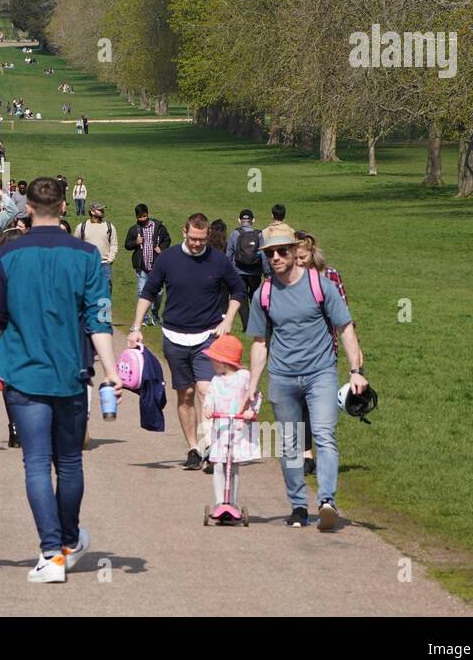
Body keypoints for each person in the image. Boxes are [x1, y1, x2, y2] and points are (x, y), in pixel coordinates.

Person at [0, 177, 120, 583]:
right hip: (71, 371)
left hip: (24, 373)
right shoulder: (87, 255)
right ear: (63, 208)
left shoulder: (7, 256)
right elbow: (100, 318)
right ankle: (68, 540)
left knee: (37, 462)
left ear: (27, 209)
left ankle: (51, 552)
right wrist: (111, 371)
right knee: (70, 461)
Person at [243, 223, 369, 531]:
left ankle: (327, 501)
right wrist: (251, 386)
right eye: (269, 253)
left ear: (294, 251)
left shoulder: (320, 286)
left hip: (320, 373)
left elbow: (346, 328)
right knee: (289, 445)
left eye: (281, 251)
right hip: (282, 377)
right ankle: (298, 506)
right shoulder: (264, 293)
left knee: (324, 436)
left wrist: (356, 372)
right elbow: (260, 343)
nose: (275, 257)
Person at [126, 213, 245, 472]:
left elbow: (238, 290)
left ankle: (212, 448)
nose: (196, 244)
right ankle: (193, 448)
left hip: (207, 337)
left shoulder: (218, 260)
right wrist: (136, 327)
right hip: (174, 336)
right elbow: (149, 291)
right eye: (193, 239)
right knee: (186, 394)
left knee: (206, 391)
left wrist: (228, 320)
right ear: (184, 232)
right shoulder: (168, 259)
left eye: (202, 240)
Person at [294, 230, 351, 476]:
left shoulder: (330, 276)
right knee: (300, 405)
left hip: (326, 350)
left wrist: (355, 357)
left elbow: (344, 315)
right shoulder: (287, 279)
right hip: (295, 350)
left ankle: (323, 453)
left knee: (321, 405)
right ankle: (306, 454)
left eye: (302, 257)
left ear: (312, 253)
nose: (298, 262)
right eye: (294, 257)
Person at [202, 334, 260, 519]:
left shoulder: (244, 377)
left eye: (214, 359)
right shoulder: (216, 380)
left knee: (233, 467)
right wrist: (209, 407)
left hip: (238, 429)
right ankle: (220, 501)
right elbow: (209, 397)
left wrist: (251, 410)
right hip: (221, 429)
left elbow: (255, 396)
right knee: (219, 465)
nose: (211, 362)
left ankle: (232, 501)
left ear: (224, 361)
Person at [124, 204, 171, 328]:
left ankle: (155, 314)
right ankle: (144, 318)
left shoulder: (159, 227)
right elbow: (127, 245)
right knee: (142, 291)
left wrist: (161, 248)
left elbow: (167, 239)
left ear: (148, 214)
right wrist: (136, 242)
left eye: (144, 216)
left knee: (159, 292)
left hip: (157, 266)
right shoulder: (135, 229)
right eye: (140, 217)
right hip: (141, 266)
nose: (142, 219)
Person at [225, 209, 266, 330]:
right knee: (254, 297)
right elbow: (263, 254)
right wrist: (266, 271)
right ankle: (256, 323)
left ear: (239, 220)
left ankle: (246, 325)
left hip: (238, 271)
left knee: (241, 298)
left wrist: (228, 272)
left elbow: (229, 254)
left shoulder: (235, 233)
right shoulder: (259, 234)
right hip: (255, 272)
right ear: (253, 220)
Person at [73, 202, 117, 293]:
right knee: (87, 292)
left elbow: (114, 244)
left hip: (104, 265)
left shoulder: (109, 226)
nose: (103, 211)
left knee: (105, 294)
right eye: (100, 210)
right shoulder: (82, 227)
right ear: (92, 212)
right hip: (87, 265)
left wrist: (110, 259)